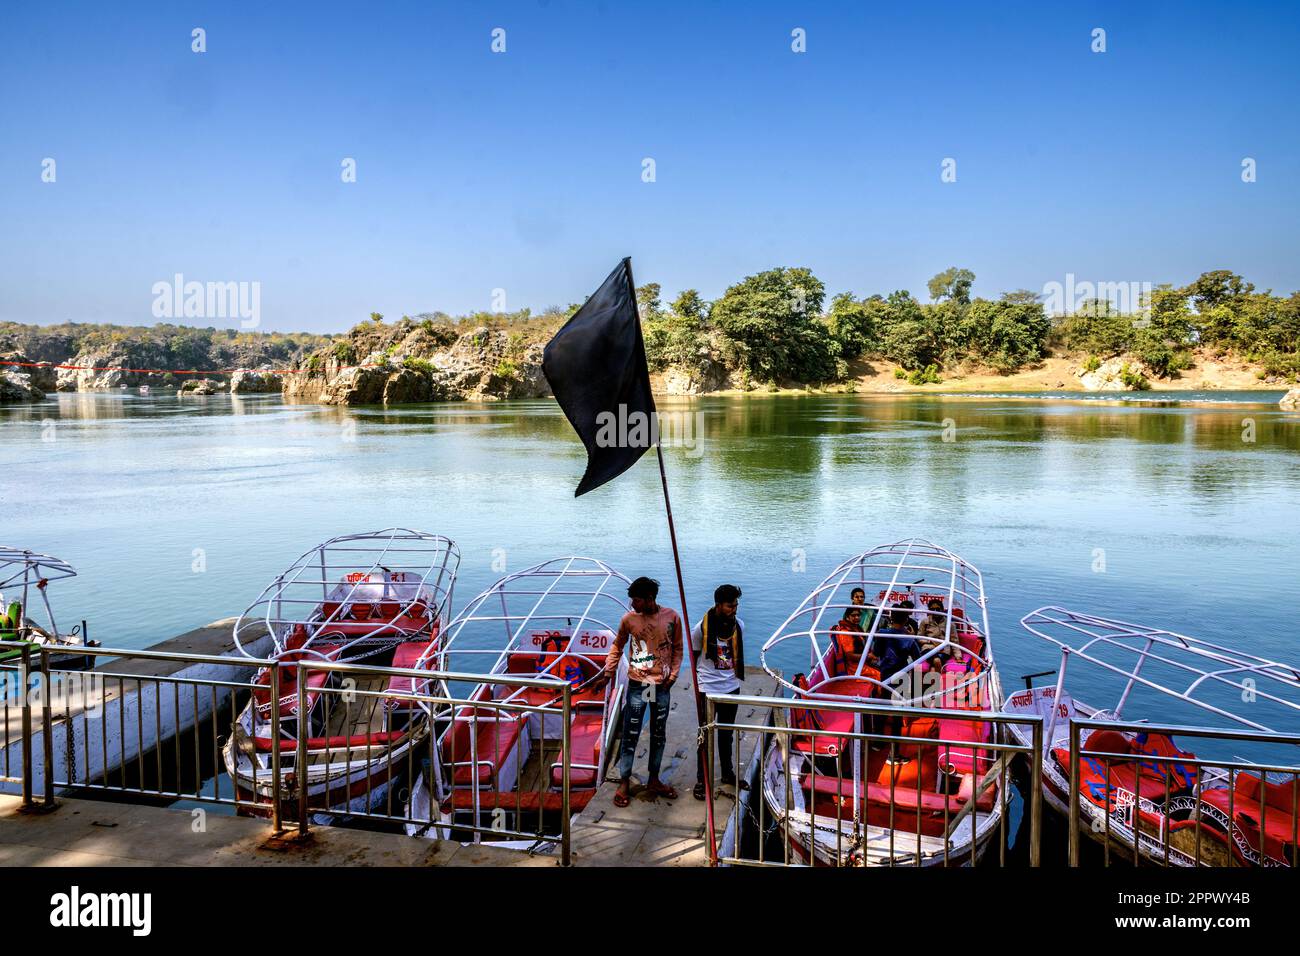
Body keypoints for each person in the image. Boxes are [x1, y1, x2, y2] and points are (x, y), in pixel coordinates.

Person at [590, 576, 683, 807]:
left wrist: (672, 676)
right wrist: (608, 674)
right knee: (630, 733)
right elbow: (617, 645)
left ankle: (654, 780)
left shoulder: (671, 617)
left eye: (637, 600)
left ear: (650, 598)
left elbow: (678, 648)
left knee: (658, 734)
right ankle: (624, 781)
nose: (633, 604)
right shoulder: (629, 619)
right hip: (638, 685)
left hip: (661, 686)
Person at [692, 584, 744, 800]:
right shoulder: (700, 629)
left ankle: (727, 773)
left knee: (726, 735)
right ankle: (701, 780)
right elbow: (695, 657)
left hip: (731, 687)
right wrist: (699, 687)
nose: (734, 609)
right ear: (718, 605)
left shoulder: (739, 626)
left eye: (736, 605)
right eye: (730, 606)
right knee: (704, 736)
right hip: (708, 689)